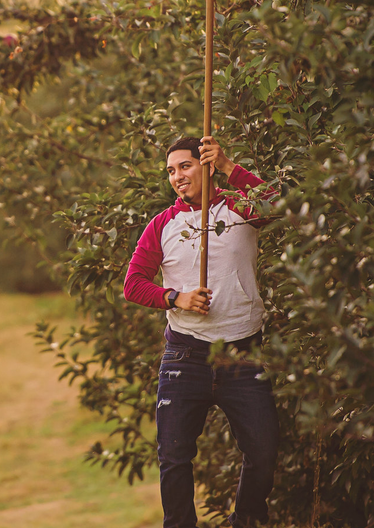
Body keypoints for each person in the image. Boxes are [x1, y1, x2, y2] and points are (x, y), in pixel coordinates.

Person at [122, 136, 279, 528]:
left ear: (205, 165)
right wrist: (175, 297)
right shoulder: (163, 224)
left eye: (186, 166)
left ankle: (244, 520)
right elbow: (134, 283)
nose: (177, 176)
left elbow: (277, 204)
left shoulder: (239, 207)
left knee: (264, 451)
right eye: (172, 171)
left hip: (243, 353)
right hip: (185, 356)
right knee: (173, 457)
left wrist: (229, 166)